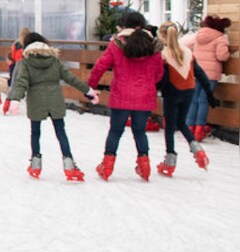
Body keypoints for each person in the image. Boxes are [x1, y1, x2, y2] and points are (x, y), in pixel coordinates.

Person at [7, 33, 98, 181]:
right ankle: (69, 164)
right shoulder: (54, 60)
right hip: (55, 99)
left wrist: (15, 99)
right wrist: (88, 91)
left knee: (35, 132)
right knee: (60, 131)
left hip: (36, 100)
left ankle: (36, 165)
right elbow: (70, 78)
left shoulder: (26, 61)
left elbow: (21, 82)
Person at [87, 12, 166, 182]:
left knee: (116, 130)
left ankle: (107, 166)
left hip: (121, 95)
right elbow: (159, 73)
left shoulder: (116, 44)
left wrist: (91, 86)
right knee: (139, 131)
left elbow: (100, 67)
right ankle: (145, 167)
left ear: (123, 26)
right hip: (145, 96)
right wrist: (147, 84)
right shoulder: (153, 46)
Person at [155, 22, 218, 176]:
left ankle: (170, 160)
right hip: (188, 90)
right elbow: (200, 73)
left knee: (169, 126)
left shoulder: (163, 55)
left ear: (162, 36)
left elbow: (162, 78)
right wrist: (209, 94)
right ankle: (198, 150)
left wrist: (156, 89)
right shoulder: (188, 52)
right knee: (182, 122)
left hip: (172, 93)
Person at [180, 15, 231, 141]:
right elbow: (222, 56)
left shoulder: (198, 35)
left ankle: (189, 128)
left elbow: (183, 44)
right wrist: (229, 53)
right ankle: (199, 130)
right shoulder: (221, 38)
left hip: (196, 73)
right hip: (210, 75)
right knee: (204, 101)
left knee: (194, 100)